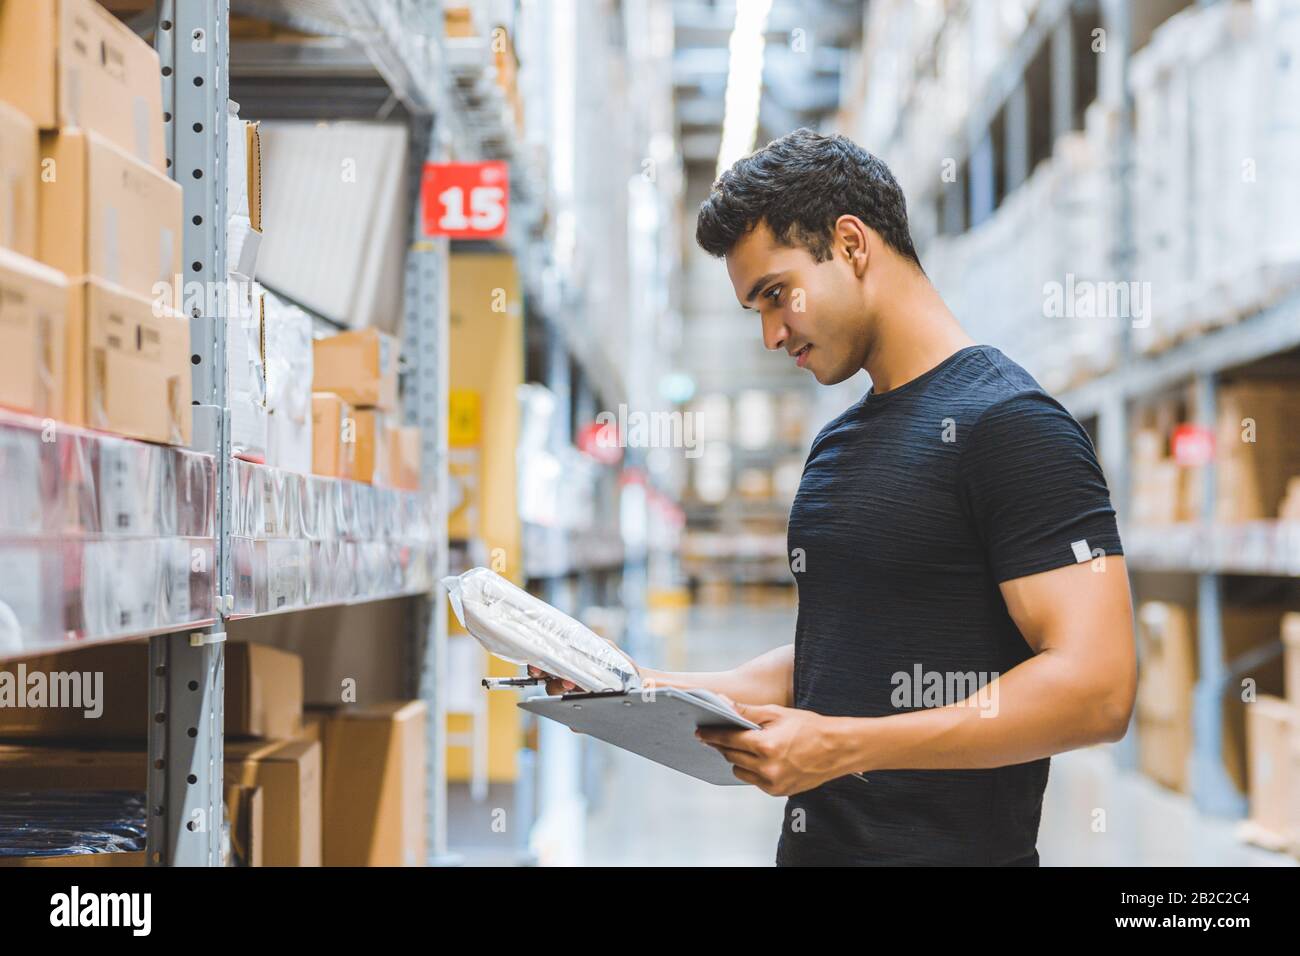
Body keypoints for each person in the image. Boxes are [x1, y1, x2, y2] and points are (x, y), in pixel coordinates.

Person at [536, 128, 1136, 866]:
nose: (769, 334)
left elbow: (1098, 689)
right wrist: (631, 686)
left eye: (775, 294)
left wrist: (842, 745)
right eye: (753, 309)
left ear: (851, 244)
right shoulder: (839, 445)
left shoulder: (1011, 426)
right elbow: (836, 655)